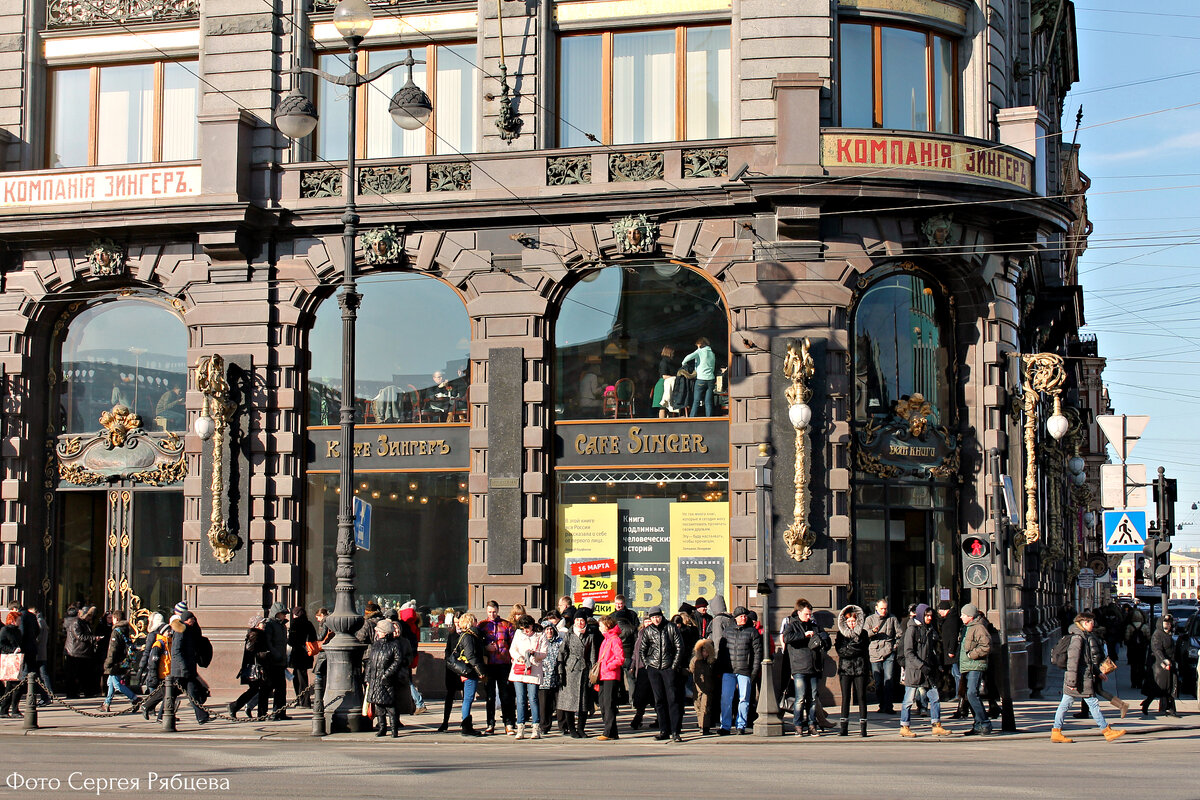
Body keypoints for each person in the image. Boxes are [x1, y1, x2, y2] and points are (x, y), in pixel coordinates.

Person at [1051, 612, 1126, 743]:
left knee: (1066, 704)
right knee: (1092, 704)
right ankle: (1107, 731)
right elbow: (1073, 661)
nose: (1094, 625)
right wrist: (1072, 681)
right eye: (1091, 622)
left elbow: (1087, 661)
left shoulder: (1083, 636)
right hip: (1079, 679)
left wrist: (1098, 672)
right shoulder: (1078, 638)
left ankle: (1056, 731)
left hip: (1080, 677)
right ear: (1084, 623)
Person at [898, 604, 950, 738]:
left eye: (931, 615)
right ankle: (904, 726)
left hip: (928, 670)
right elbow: (908, 652)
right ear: (921, 615)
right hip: (914, 671)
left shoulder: (929, 629)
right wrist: (921, 665)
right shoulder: (912, 630)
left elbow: (931, 651)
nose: (929, 618)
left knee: (935, 697)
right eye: (927, 615)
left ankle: (936, 724)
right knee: (909, 699)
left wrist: (937, 664)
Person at [783, 598, 830, 736]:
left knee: (813, 698)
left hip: (814, 667)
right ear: (799, 612)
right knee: (800, 698)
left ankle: (812, 724)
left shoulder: (814, 625)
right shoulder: (792, 625)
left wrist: (822, 638)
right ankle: (798, 725)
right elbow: (787, 638)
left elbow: (825, 641)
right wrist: (804, 635)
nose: (809, 617)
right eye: (806, 614)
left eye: (810, 614)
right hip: (799, 667)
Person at [639, 606, 684, 742]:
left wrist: (674, 666)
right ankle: (663, 730)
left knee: (673, 699)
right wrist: (648, 665)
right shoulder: (647, 631)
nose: (655, 619)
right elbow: (643, 650)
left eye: (657, 616)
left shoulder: (671, 627)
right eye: (653, 617)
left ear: (661, 616)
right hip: (654, 668)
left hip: (668, 667)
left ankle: (675, 731)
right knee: (659, 700)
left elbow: (679, 647)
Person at [716, 606, 761, 735]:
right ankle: (725, 725)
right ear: (735, 618)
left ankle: (741, 725)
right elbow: (722, 652)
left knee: (744, 699)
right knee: (726, 698)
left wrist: (754, 672)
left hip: (744, 670)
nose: (744, 618)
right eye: (741, 616)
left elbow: (757, 654)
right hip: (728, 670)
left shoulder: (752, 632)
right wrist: (720, 669)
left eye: (745, 616)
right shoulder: (727, 632)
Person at [479, 600, 516, 735]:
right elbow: (476, 645)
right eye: (489, 612)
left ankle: (509, 723)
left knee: (505, 695)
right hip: (488, 665)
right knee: (490, 696)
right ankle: (490, 724)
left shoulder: (506, 625)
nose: (492, 614)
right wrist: (485, 647)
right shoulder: (482, 626)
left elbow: (513, 644)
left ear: (498, 610)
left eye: (494, 612)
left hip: (503, 664)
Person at [558, 614, 597, 738]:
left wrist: (592, 673)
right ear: (574, 621)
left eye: (582, 620)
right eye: (578, 620)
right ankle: (572, 729)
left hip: (584, 670)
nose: (580, 623)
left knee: (583, 702)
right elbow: (562, 654)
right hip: (570, 670)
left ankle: (581, 728)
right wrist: (560, 672)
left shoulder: (590, 636)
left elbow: (592, 656)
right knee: (569, 702)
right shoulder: (569, 635)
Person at [509, 615, 547, 740]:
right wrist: (519, 657)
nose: (525, 630)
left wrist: (534, 654)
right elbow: (512, 649)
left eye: (527, 628)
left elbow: (544, 653)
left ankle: (535, 728)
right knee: (520, 699)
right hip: (519, 670)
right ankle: (520, 727)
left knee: (533, 698)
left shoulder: (540, 635)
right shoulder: (518, 634)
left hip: (534, 670)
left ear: (532, 625)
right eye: (523, 628)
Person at [365, 619, 405, 738]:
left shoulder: (394, 645)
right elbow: (370, 662)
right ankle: (382, 727)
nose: (377, 633)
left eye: (379, 631)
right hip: (375, 678)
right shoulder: (376, 644)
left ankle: (394, 729)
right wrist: (367, 677)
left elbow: (397, 661)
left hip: (387, 679)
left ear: (385, 632)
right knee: (378, 705)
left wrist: (387, 674)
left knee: (390, 705)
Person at [169, 610, 210, 725]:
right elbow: (176, 651)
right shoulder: (181, 631)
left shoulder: (189, 630)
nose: (194, 620)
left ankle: (202, 716)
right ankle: (159, 713)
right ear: (187, 620)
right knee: (171, 693)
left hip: (188, 668)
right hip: (181, 670)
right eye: (192, 618)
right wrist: (183, 667)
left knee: (192, 693)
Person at [835, 604, 869, 737]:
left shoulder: (863, 633)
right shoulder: (840, 634)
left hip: (860, 668)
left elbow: (862, 648)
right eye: (849, 621)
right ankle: (843, 728)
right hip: (845, 669)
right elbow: (840, 651)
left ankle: (863, 728)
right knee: (845, 698)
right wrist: (852, 648)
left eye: (853, 621)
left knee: (861, 697)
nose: (851, 624)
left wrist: (850, 648)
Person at [957, 604, 992, 736]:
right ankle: (978, 724)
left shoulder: (979, 628)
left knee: (972, 693)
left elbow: (986, 646)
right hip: (967, 666)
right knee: (969, 695)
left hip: (975, 665)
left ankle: (984, 723)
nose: (961, 617)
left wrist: (972, 654)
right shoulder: (966, 628)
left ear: (970, 616)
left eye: (963, 615)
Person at [451, 612, 487, 737]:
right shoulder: (468, 637)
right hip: (470, 671)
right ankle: (466, 725)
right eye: (474, 620)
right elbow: (471, 656)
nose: (477, 622)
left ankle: (466, 724)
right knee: (468, 698)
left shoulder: (469, 635)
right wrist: (480, 671)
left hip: (469, 670)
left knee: (468, 697)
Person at [865, 598, 901, 714]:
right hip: (875, 653)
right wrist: (873, 632)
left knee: (889, 679)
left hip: (888, 652)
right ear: (876, 608)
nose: (884, 611)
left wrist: (895, 646)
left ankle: (889, 706)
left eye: (885, 608)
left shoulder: (892, 618)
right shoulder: (869, 619)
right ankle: (882, 704)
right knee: (878, 681)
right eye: (881, 609)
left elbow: (899, 634)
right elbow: (864, 635)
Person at [229, 616, 269, 720]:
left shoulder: (261, 633)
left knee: (261, 690)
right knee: (255, 690)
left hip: (260, 666)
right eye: (262, 623)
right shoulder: (254, 634)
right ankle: (234, 706)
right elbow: (250, 649)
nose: (264, 624)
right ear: (256, 624)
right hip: (255, 667)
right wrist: (263, 654)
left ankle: (261, 713)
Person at [100, 610, 140, 713]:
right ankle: (107, 703)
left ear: (116, 619)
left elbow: (113, 649)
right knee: (111, 682)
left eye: (113, 618)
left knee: (117, 684)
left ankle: (134, 698)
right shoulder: (125, 629)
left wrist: (108, 662)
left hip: (116, 662)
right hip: (123, 661)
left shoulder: (116, 631)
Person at [1141, 614, 1180, 717]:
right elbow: (1157, 649)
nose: (1168, 624)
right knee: (1159, 688)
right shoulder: (1157, 634)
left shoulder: (1169, 634)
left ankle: (1171, 709)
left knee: (1170, 687)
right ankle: (1146, 704)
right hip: (1160, 666)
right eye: (1166, 622)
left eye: (1170, 623)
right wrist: (1164, 661)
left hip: (1169, 664)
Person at [596, 615, 626, 741]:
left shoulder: (615, 640)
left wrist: (607, 666)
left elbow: (620, 658)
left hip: (610, 675)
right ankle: (612, 731)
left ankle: (608, 731)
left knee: (608, 704)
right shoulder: (606, 640)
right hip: (603, 675)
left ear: (607, 626)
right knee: (603, 703)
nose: (600, 628)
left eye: (601, 625)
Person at [139, 615, 175, 721]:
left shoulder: (169, 643)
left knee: (165, 695)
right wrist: (154, 675)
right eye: (168, 631)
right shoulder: (159, 644)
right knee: (166, 695)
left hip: (168, 674)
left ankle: (154, 711)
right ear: (162, 632)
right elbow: (153, 661)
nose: (170, 633)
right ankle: (150, 708)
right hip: (162, 674)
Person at [261, 602, 289, 719]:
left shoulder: (282, 626)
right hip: (272, 662)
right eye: (282, 613)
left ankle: (280, 712)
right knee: (268, 688)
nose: (284, 616)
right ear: (277, 614)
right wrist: (276, 654)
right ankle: (263, 713)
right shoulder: (270, 625)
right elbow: (269, 643)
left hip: (281, 661)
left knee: (281, 688)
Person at [63, 605, 98, 698]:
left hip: (82, 652)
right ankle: (72, 693)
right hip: (75, 652)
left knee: (83, 673)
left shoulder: (84, 623)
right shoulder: (76, 622)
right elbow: (80, 636)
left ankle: (85, 691)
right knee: (74, 674)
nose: (89, 618)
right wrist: (94, 639)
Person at [397, 606, 426, 714]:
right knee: (408, 680)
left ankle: (419, 703)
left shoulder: (404, 627)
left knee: (407, 681)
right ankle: (413, 704)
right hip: (410, 657)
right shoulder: (414, 625)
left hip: (404, 657)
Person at [537, 618, 564, 737]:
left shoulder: (560, 642)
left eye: (550, 629)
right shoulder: (539, 643)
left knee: (560, 704)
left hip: (557, 678)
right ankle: (544, 726)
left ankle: (563, 726)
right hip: (543, 678)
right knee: (544, 705)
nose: (549, 631)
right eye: (546, 629)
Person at [287, 606, 317, 708]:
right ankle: (303, 700)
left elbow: (291, 641)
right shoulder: (309, 623)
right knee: (302, 676)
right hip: (306, 653)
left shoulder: (295, 623)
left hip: (297, 654)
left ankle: (303, 701)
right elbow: (314, 638)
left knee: (298, 678)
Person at [437, 612, 462, 733]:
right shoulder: (452, 635)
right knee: (450, 695)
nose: (457, 626)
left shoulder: (467, 635)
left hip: (463, 669)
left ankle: (465, 720)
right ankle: (445, 721)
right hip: (452, 668)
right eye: (455, 623)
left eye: (459, 623)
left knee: (466, 697)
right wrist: (449, 659)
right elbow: (447, 650)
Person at [682, 337, 717, 417]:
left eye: (698, 345)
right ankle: (709, 420)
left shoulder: (700, 351)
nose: (697, 347)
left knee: (696, 401)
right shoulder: (712, 353)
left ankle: (692, 419)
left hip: (701, 379)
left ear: (701, 344)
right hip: (711, 379)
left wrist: (683, 363)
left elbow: (688, 357)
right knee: (708, 402)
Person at [690, 637, 718, 735]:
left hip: (708, 687)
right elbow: (691, 670)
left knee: (705, 707)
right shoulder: (696, 660)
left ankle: (704, 727)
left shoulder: (712, 661)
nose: (704, 653)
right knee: (698, 706)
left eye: (706, 651)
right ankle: (701, 725)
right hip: (697, 686)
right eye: (703, 651)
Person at [0, 611, 23, 717]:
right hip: (9, 659)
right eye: (18, 620)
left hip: (17, 659)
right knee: (11, 686)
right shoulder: (5, 630)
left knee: (16, 686)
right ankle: (6, 710)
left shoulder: (17, 631)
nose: (20, 622)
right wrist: (12, 650)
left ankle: (13, 709)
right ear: (13, 620)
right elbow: (2, 644)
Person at [1125, 607, 1151, 691]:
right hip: (1142, 649)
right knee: (1141, 665)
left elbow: (1127, 637)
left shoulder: (1130, 626)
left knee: (1133, 666)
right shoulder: (1144, 626)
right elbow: (1149, 637)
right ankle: (1140, 682)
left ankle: (1133, 682)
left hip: (1132, 649)